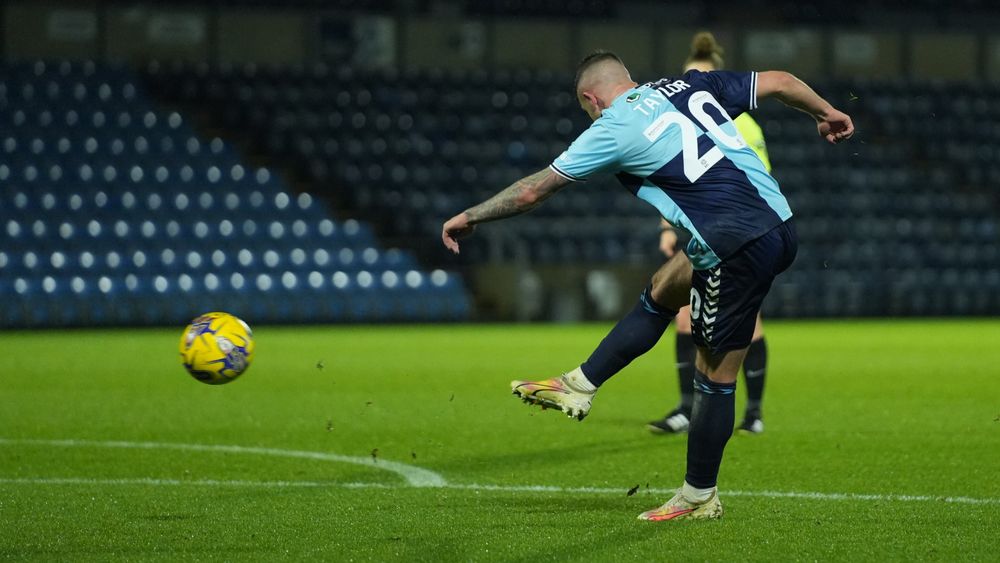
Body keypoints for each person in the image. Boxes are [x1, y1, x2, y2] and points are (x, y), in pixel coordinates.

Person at [441, 52, 853, 521]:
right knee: (665, 285)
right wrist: (826, 113)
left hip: (736, 245)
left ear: (591, 99)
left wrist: (471, 216)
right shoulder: (689, 85)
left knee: (714, 374)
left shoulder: (613, 126)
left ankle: (698, 496)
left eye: (586, 109)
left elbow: (533, 190)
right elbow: (779, 80)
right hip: (777, 222)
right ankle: (580, 384)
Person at [648, 32, 772, 436]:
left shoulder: (743, 125)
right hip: (697, 235)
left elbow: (759, 179)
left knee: (748, 321)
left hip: (737, 234)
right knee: (684, 318)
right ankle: (687, 409)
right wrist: (667, 228)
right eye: (687, 78)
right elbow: (671, 177)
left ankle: (753, 413)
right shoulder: (678, 121)